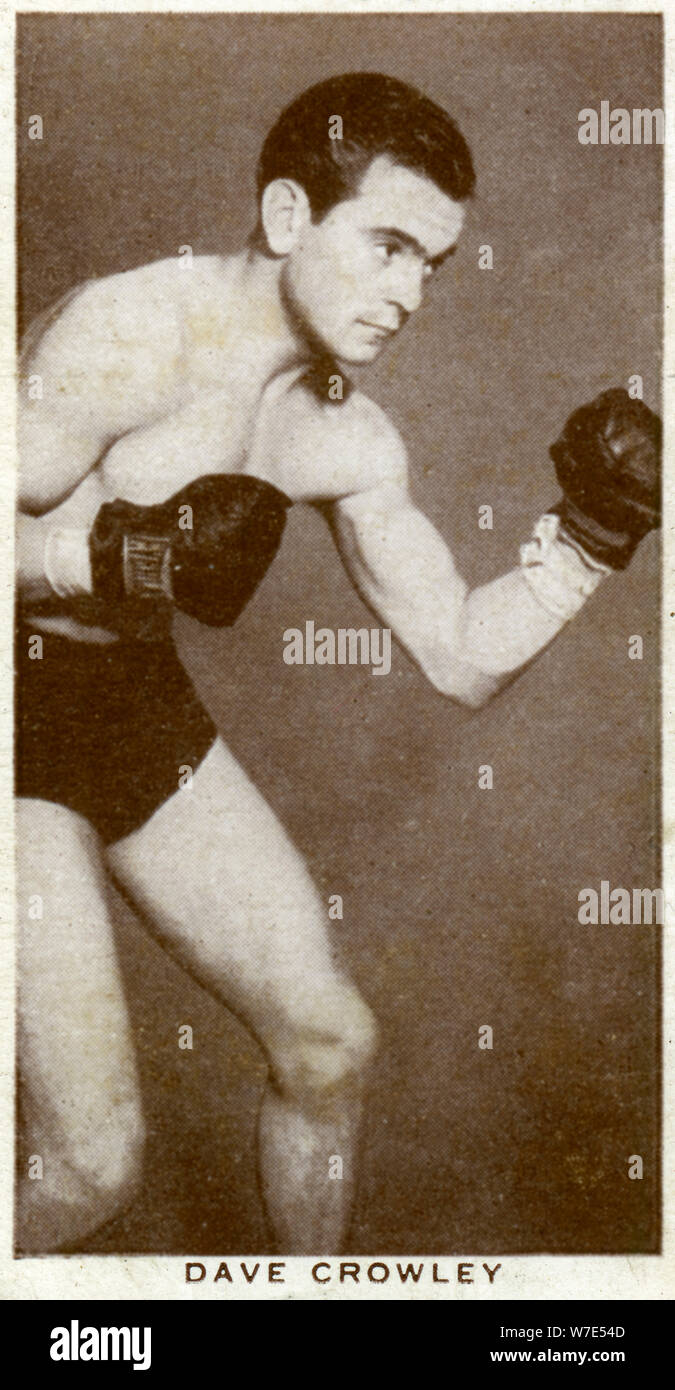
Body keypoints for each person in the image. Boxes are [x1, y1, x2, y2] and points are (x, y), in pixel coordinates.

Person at [15, 72, 660, 1254]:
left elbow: (461, 657)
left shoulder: (341, 434)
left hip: (118, 700)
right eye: (389, 247)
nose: (411, 293)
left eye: (434, 264)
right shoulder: (129, 332)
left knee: (328, 1046)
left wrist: (588, 544)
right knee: (93, 1164)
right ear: (285, 219)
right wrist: (105, 552)